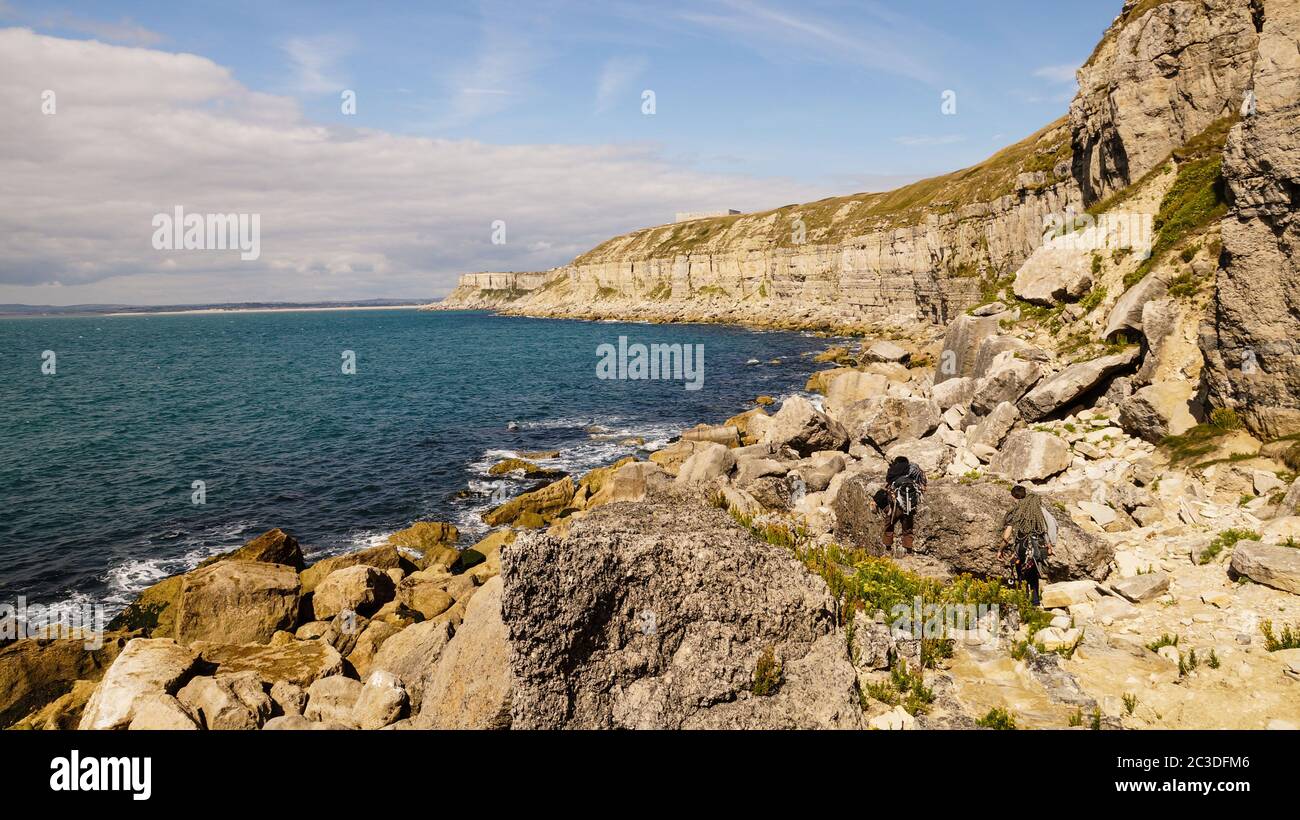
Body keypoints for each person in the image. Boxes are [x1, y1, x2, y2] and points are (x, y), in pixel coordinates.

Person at [998, 484, 1052, 606]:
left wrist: (1000, 550)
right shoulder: (1037, 510)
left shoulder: (1016, 511)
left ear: (1014, 497)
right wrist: (1049, 545)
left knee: (1021, 571)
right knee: (1033, 572)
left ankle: (1023, 599)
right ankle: (1035, 600)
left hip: (1023, 546)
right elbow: (1047, 528)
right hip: (1037, 546)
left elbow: (1006, 537)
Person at [878, 456, 927, 553]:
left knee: (889, 525)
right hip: (909, 505)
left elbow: (888, 483)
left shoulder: (892, 472)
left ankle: (888, 548)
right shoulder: (912, 471)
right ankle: (909, 550)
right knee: (908, 528)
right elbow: (922, 484)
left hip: (895, 506)